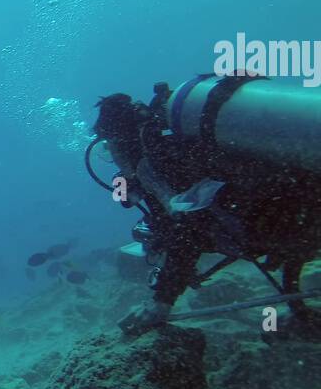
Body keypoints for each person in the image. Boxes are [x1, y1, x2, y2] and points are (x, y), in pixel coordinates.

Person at [89, 78, 321, 336]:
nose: (114, 160)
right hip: (304, 196)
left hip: (295, 215)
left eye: (109, 150)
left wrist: (160, 303)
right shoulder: (182, 140)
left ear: (120, 141)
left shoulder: (155, 160)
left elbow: (188, 231)